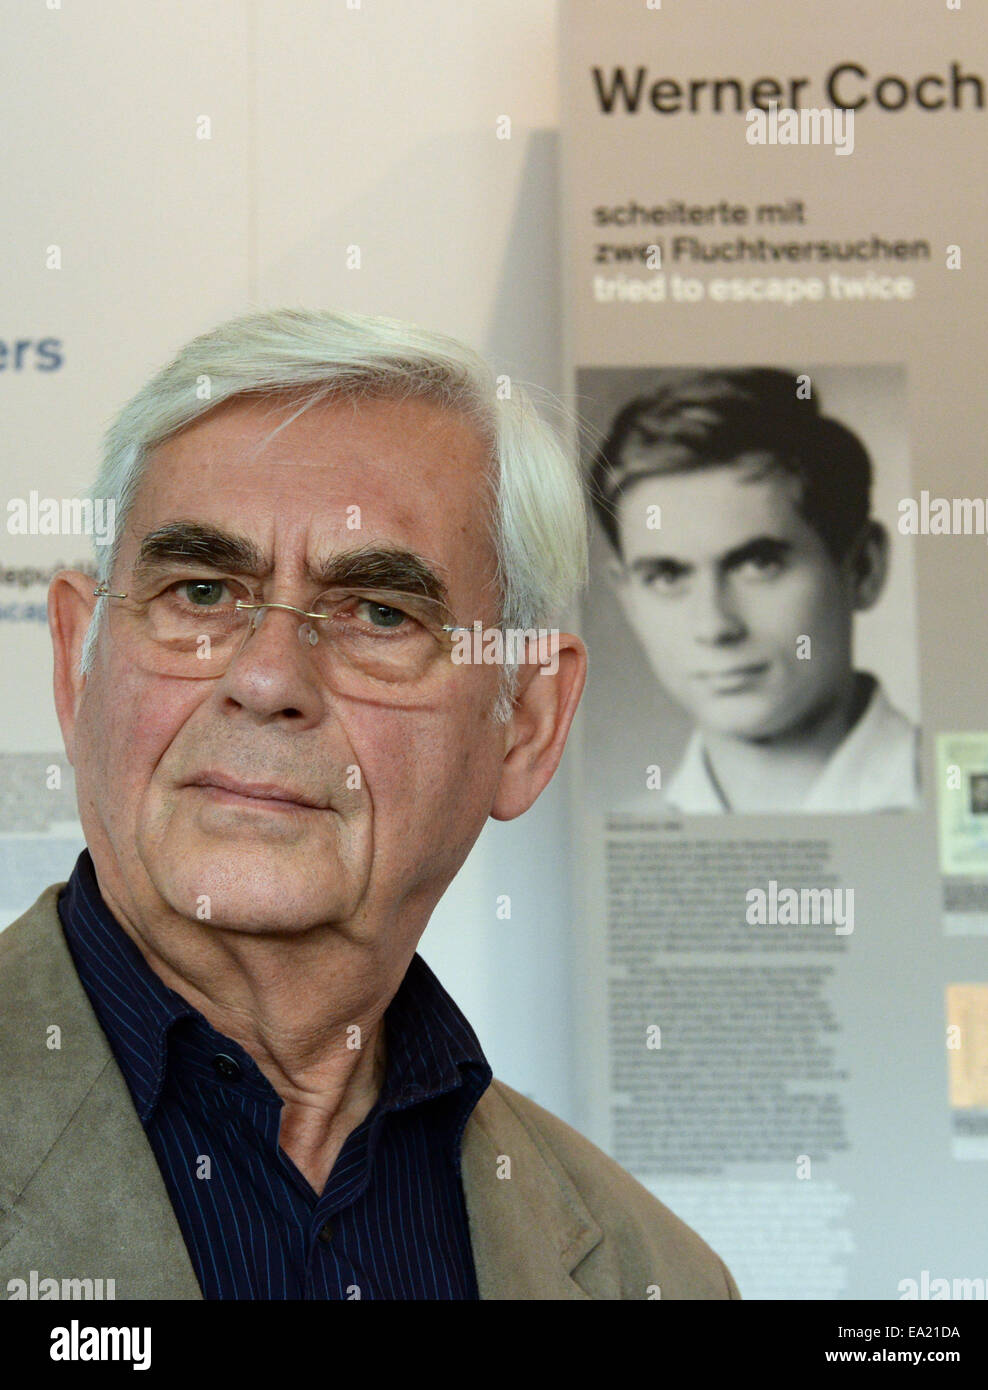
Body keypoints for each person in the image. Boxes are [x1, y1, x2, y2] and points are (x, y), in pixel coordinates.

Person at [0, 308, 738, 1301]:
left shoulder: (651, 1274)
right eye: (202, 592)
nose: (265, 679)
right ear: (78, 664)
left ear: (521, 723)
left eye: (378, 614)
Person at [588, 369, 919, 814]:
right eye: (667, 577)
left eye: (759, 565)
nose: (715, 625)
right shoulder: (616, 837)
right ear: (629, 600)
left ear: (863, 568)